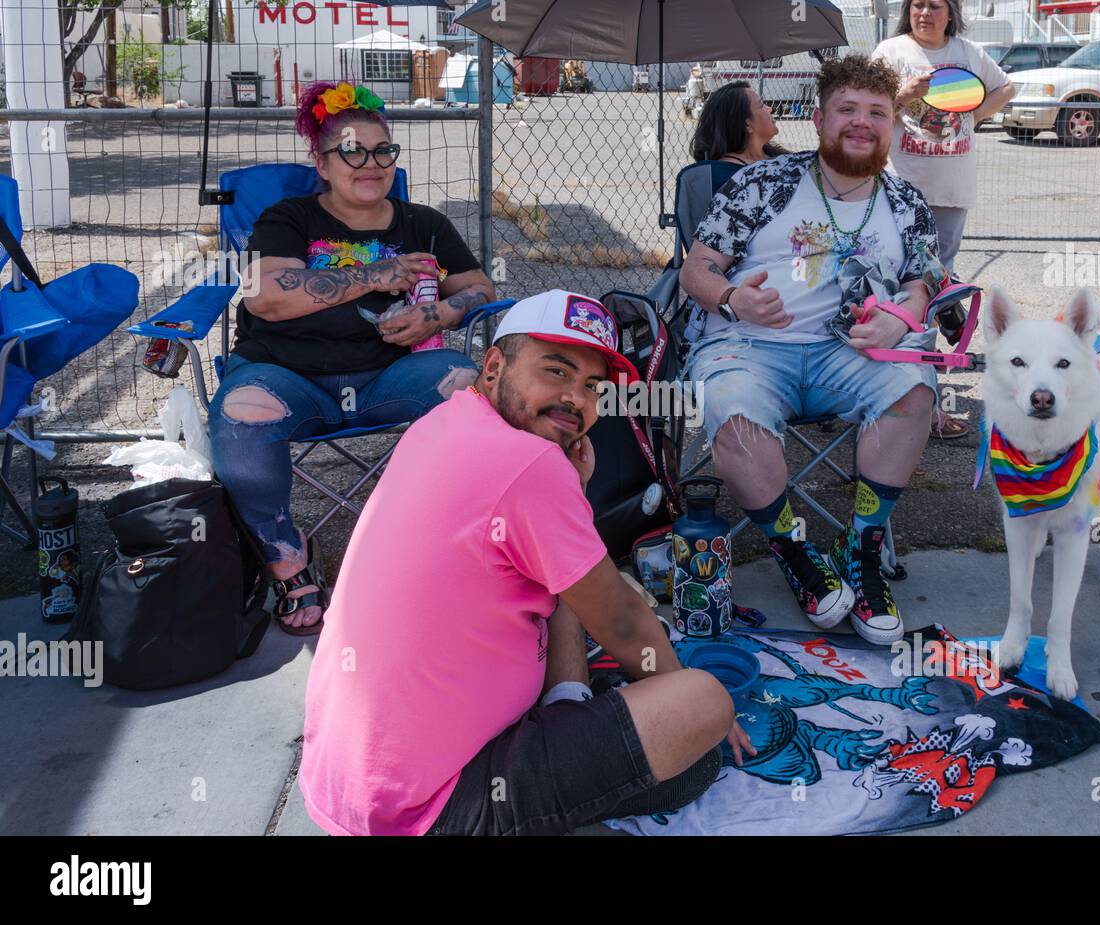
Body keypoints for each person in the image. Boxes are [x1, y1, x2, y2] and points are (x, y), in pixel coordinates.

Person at [299, 289, 754, 835]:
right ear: (494, 367)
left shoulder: (441, 423)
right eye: (555, 371)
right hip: (427, 810)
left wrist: (575, 501)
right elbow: (623, 625)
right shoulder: (531, 462)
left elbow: (559, 578)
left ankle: (567, 703)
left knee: (606, 625)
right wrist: (683, 702)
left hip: (350, 785)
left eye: (593, 387)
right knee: (701, 709)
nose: (575, 400)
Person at [208, 80, 495, 636]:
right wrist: (374, 275)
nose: (371, 163)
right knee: (243, 411)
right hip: (286, 375)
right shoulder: (286, 219)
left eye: (382, 150)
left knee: (472, 393)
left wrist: (436, 316)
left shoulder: (424, 224)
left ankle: (436, 549)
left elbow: (480, 288)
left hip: (390, 374)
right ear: (321, 162)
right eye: (352, 151)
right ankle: (288, 561)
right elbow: (263, 295)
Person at [680, 55, 942, 647]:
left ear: (893, 124)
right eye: (846, 109)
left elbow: (925, 280)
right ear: (820, 119)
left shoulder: (905, 202)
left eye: (877, 112)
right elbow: (696, 269)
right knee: (735, 415)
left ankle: (862, 549)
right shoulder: (761, 184)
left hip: (849, 354)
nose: (861, 122)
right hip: (747, 346)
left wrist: (901, 317)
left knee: (914, 394)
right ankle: (796, 553)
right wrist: (731, 299)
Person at [872, 0, 1015, 439]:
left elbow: (1005, 88)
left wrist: (974, 113)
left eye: (934, 5)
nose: (924, 13)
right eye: (917, 5)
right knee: (886, 287)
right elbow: (866, 107)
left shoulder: (967, 54)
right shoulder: (890, 53)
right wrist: (903, 96)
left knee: (933, 291)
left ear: (950, 11)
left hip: (951, 190)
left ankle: (924, 408)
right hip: (898, 191)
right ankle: (877, 395)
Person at [690, 80, 788, 184]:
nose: (770, 109)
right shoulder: (728, 175)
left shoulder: (771, 155)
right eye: (761, 105)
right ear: (747, 124)